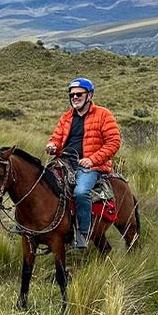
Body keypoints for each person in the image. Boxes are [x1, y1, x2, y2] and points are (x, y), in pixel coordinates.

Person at [44, 77, 122, 249]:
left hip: (91, 165)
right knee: (40, 183)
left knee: (80, 192)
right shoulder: (66, 117)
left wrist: (92, 159)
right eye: (72, 95)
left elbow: (113, 142)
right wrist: (52, 145)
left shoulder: (103, 114)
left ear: (90, 95)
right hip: (64, 161)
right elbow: (56, 138)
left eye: (79, 94)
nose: (75, 98)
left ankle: (83, 233)